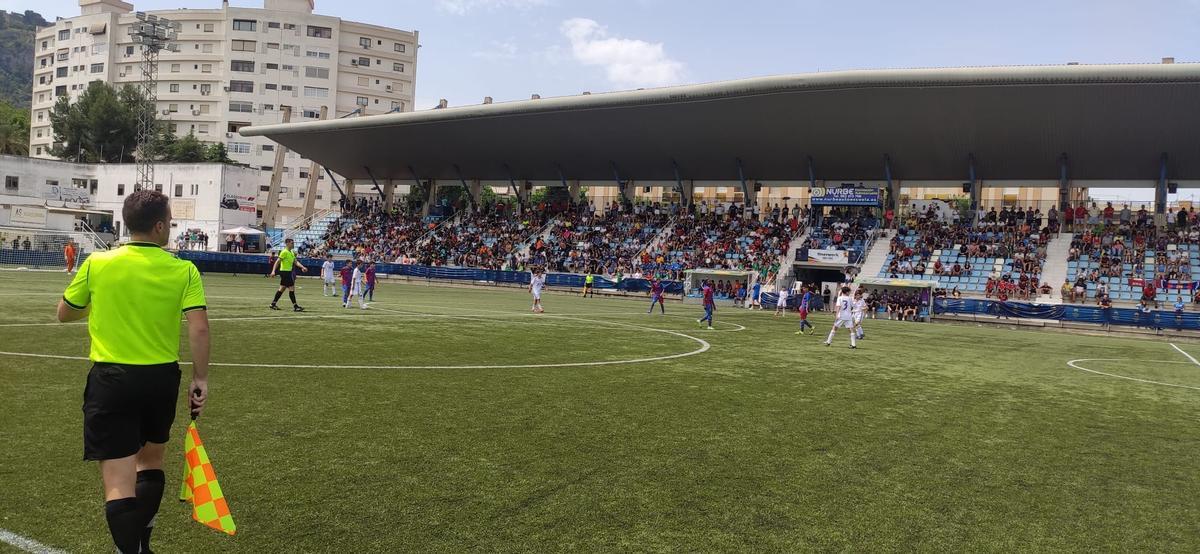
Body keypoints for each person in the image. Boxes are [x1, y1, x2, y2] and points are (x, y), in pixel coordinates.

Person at [56, 190, 210, 554]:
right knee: (151, 463)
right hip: (161, 379)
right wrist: (200, 379)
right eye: (170, 222)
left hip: (113, 380)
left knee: (118, 482)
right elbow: (199, 328)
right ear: (159, 226)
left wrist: (95, 306)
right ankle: (142, 543)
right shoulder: (183, 269)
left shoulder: (98, 263)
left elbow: (65, 312)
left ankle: (133, 550)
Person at [268, 238, 307, 311]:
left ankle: (273, 304)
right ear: (287, 243)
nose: (293, 244)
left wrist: (302, 267)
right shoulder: (284, 252)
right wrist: (273, 271)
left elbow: (295, 262)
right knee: (291, 288)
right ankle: (295, 306)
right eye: (292, 243)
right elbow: (277, 262)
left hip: (288, 272)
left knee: (282, 289)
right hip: (285, 272)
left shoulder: (291, 252)